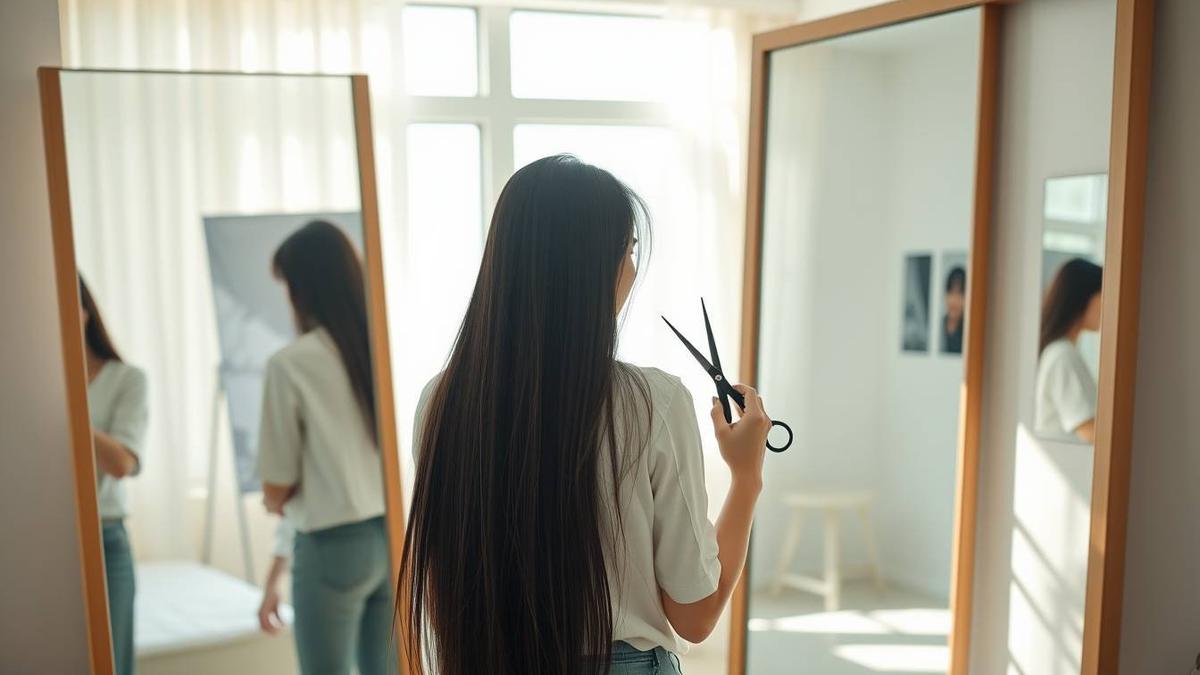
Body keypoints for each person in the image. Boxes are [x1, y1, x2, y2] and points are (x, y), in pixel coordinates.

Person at [400, 155, 773, 675]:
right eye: (629, 250)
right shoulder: (654, 402)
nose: (632, 269)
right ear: (596, 268)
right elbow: (695, 615)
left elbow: (447, 590)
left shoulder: (442, 401)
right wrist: (747, 476)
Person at [255, 221, 392, 675]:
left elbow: (276, 485)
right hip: (392, 535)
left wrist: (275, 498)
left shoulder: (291, 363)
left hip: (332, 546)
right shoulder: (382, 347)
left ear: (303, 289)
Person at [79, 277, 148, 675]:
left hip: (106, 537)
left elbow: (122, 464)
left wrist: (68, 404)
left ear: (85, 312)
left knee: (114, 664)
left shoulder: (127, 379)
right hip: (45, 537)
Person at [1035, 258, 1103, 442]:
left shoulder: (1059, 351)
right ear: (1085, 297)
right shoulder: (1062, 355)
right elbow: (1092, 433)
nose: (1108, 306)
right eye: (1103, 295)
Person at [941, 266, 966, 354]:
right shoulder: (938, 327)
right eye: (951, 292)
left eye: (960, 294)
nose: (954, 300)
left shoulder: (968, 333)